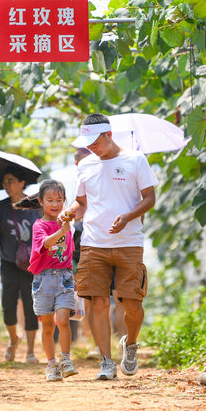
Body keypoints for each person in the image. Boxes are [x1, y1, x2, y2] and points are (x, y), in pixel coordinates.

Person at [70, 114, 157, 380]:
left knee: (132, 303)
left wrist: (128, 217)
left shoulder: (135, 160)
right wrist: (70, 212)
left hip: (129, 243)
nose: (92, 148)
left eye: (96, 142)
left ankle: (130, 344)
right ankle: (106, 362)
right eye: (88, 143)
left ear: (109, 135)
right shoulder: (85, 165)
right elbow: (82, 203)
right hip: (93, 243)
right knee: (97, 302)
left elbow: (150, 198)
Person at [0, 171, 40, 363]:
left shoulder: (35, 206)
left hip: (31, 265)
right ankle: (13, 339)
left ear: (22, 182)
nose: (7, 185)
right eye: (4, 182)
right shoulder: (1, 206)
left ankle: (31, 351)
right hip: (8, 262)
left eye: (11, 181)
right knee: (8, 306)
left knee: (30, 306)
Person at [29, 179, 78, 381]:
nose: (55, 204)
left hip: (64, 277)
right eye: (50, 200)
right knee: (48, 326)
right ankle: (51, 364)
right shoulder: (39, 225)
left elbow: (70, 254)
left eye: (59, 199)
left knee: (63, 320)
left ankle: (66, 359)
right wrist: (62, 231)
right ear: (41, 201)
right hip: (43, 280)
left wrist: (74, 277)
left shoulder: (67, 224)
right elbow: (46, 245)